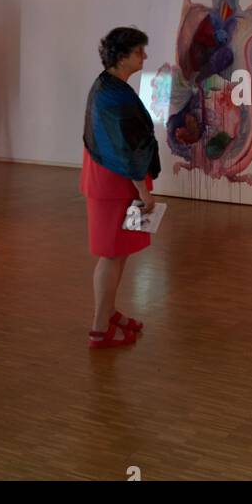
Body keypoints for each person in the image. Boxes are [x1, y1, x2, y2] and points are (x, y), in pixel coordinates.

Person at [81, 27, 161, 349]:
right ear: (123, 55)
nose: (145, 56)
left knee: (118, 252)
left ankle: (109, 312)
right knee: (111, 255)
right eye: (140, 51)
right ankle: (100, 328)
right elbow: (125, 148)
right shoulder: (112, 94)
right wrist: (143, 190)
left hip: (111, 179)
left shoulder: (109, 87)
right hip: (114, 183)